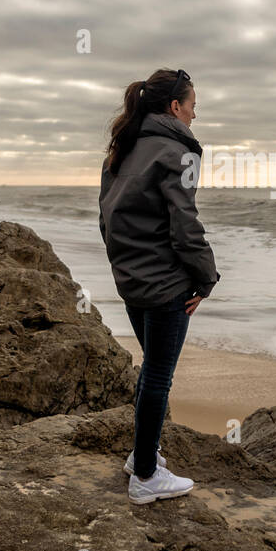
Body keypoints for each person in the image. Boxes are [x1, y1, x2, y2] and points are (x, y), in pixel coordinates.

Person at [99, 68, 220, 504]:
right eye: (192, 106)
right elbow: (185, 227)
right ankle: (146, 478)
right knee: (157, 378)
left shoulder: (122, 148)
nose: (194, 115)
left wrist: (124, 269)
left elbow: (106, 219)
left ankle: (140, 456)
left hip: (131, 281)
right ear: (175, 107)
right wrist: (205, 278)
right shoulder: (178, 153)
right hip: (167, 286)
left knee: (151, 371)